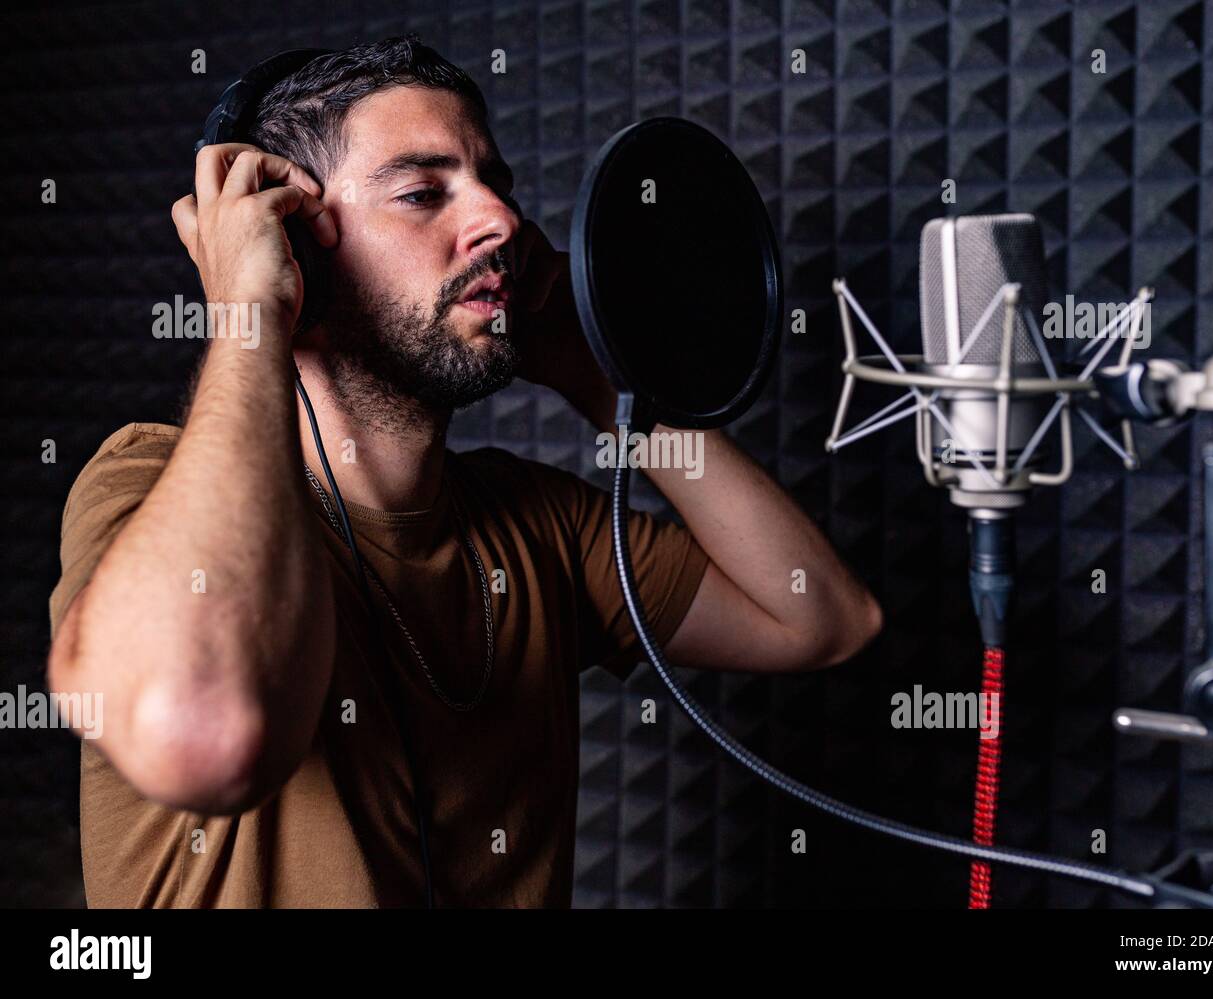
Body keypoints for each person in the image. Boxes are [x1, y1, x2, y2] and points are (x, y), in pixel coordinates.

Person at [46, 36, 882, 907]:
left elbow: (824, 617)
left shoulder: (537, 525)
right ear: (296, 246)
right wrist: (250, 312)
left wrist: (599, 378)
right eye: (422, 192)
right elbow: (205, 729)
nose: (503, 222)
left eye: (496, 185)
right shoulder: (140, 485)